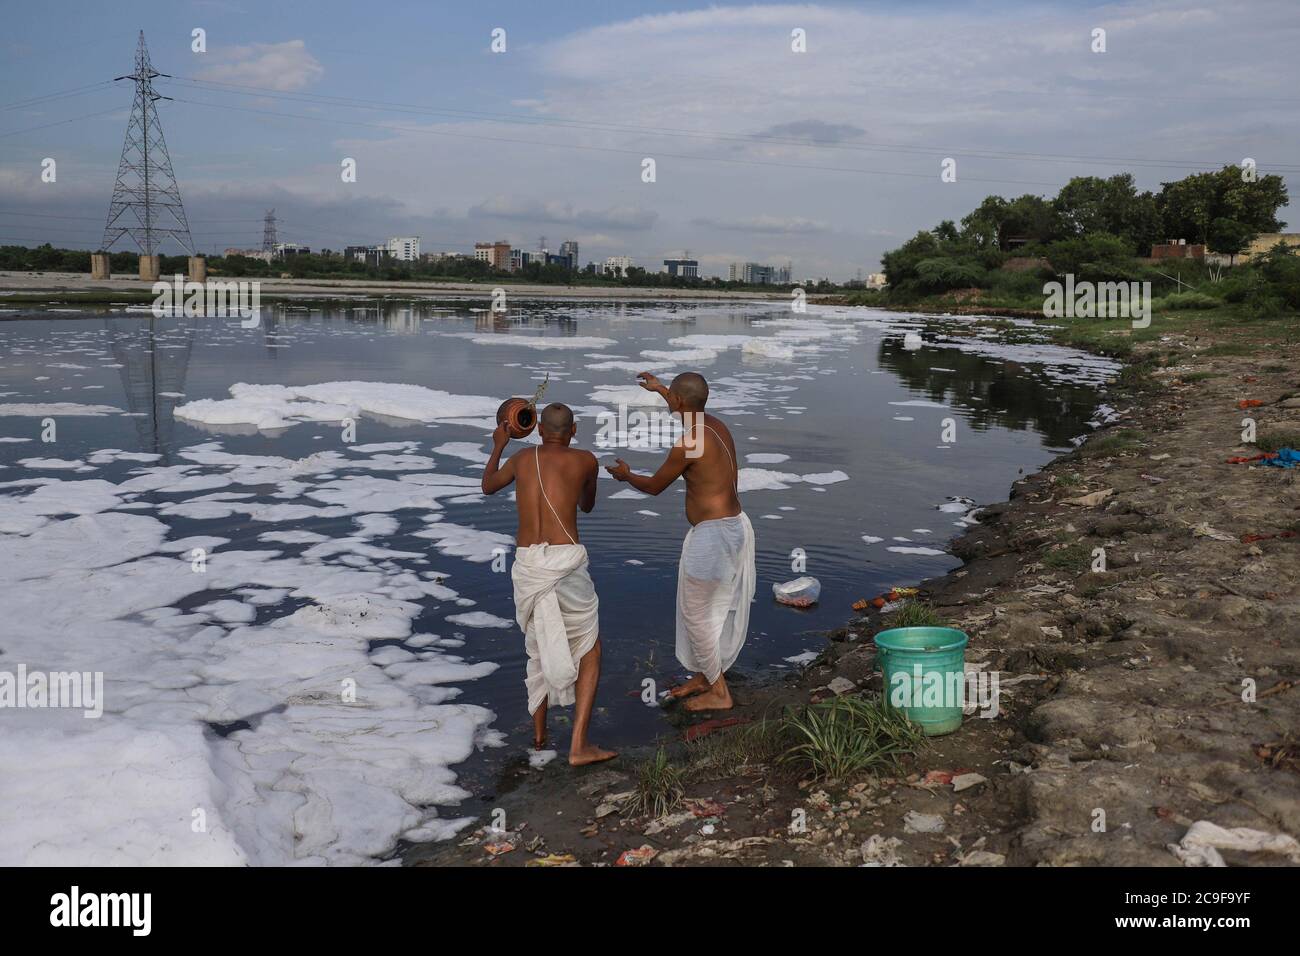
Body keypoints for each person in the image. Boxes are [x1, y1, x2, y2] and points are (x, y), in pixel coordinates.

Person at [605, 372, 755, 711]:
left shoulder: (689, 443)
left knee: (696, 613)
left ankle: (719, 693)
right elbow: (685, 403)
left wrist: (626, 475)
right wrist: (661, 389)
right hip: (734, 526)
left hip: (713, 538)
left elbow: (656, 486)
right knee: (712, 609)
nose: (667, 398)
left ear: (680, 402)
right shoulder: (716, 425)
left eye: (670, 395)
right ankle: (705, 675)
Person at [481, 402, 616, 766]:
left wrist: (499, 444)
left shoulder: (523, 458)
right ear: (573, 431)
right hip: (565, 562)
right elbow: (587, 506)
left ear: (538, 429)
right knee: (589, 646)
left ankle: (540, 739)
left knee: (538, 644)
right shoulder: (586, 460)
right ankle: (579, 746)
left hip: (528, 563)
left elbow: (488, 486)